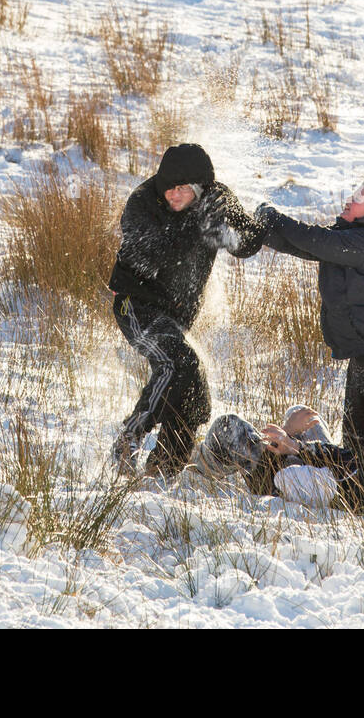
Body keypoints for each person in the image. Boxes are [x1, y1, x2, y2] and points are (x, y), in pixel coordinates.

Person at [254, 180, 364, 508]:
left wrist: (270, 216)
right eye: (353, 195)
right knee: (357, 433)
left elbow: (313, 239)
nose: (350, 200)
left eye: (360, 199)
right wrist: (257, 229)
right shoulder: (348, 239)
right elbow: (305, 245)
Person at [108, 143, 264, 477]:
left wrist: (231, 229)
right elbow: (144, 257)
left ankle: (165, 468)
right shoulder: (142, 202)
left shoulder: (217, 197)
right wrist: (194, 224)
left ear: (199, 188)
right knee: (179, 361)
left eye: (183, 189)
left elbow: (248, 242)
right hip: (135, 305)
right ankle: (128, 439)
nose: (173, 195)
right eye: (169, 187)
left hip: (176, 316)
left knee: (194, 387)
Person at [188, 405, 364, 510]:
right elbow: (347, 459)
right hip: (313, 463)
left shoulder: (282, 479)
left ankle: (200, 469)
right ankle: (202, 463)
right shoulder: (355, 477)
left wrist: (287, 436)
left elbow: (349, 461)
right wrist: (292, 443)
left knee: (227, 425)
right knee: (300, 411)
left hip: (275, 475)